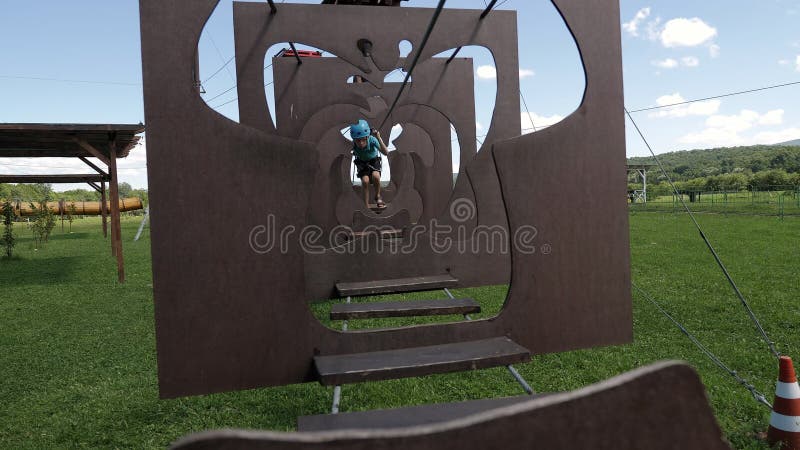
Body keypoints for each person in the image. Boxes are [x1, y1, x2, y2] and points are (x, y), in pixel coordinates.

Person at [350, 119, 389, 208]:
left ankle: (378, 196)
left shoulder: (372, 140)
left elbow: (386, 152)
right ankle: (366, 204)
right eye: (357, 140)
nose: (361, 143)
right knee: (365, 181)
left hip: (373, 161)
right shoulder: (353, 144)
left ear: (367, 137)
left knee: (376, 176)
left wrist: (378, 137)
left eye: (363, 140)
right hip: (362, 163)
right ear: (354, 139)